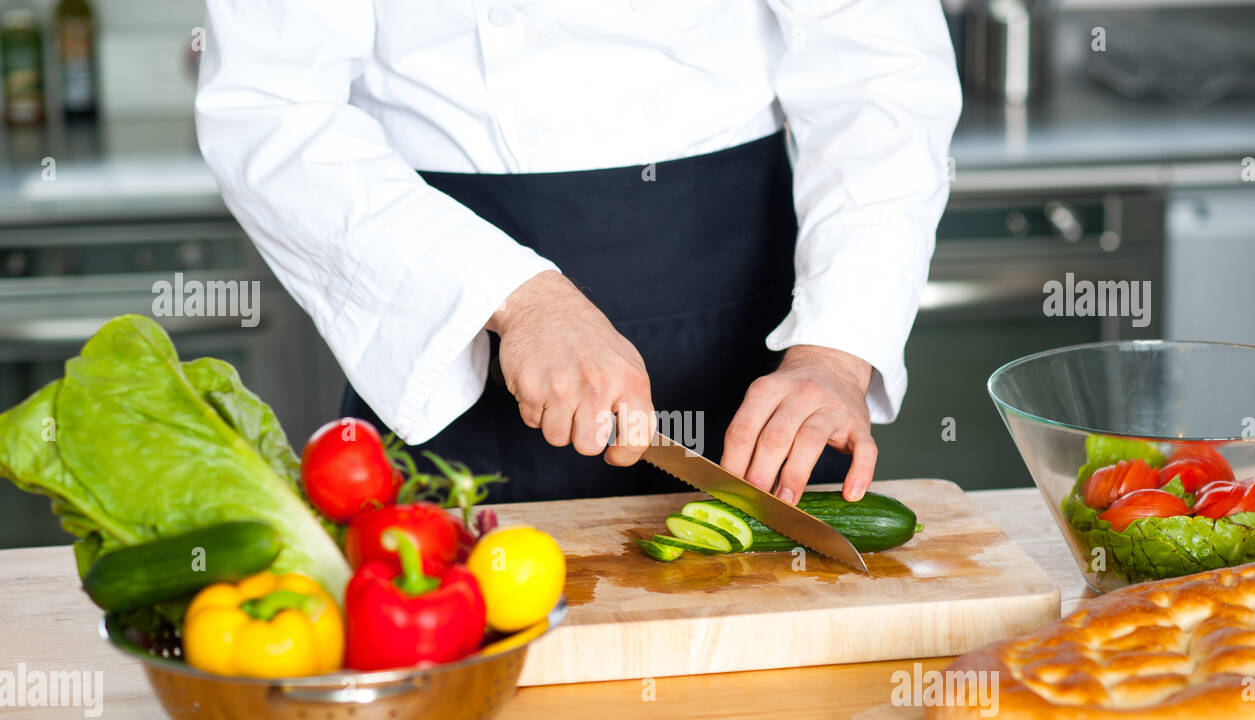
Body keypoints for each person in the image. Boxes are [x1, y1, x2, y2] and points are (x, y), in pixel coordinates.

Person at [196, 1, 961, 504]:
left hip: (754, 345)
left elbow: (881, 73)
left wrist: (834, 351)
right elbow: (270, 113)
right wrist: (517, 296)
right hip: (446, 318)